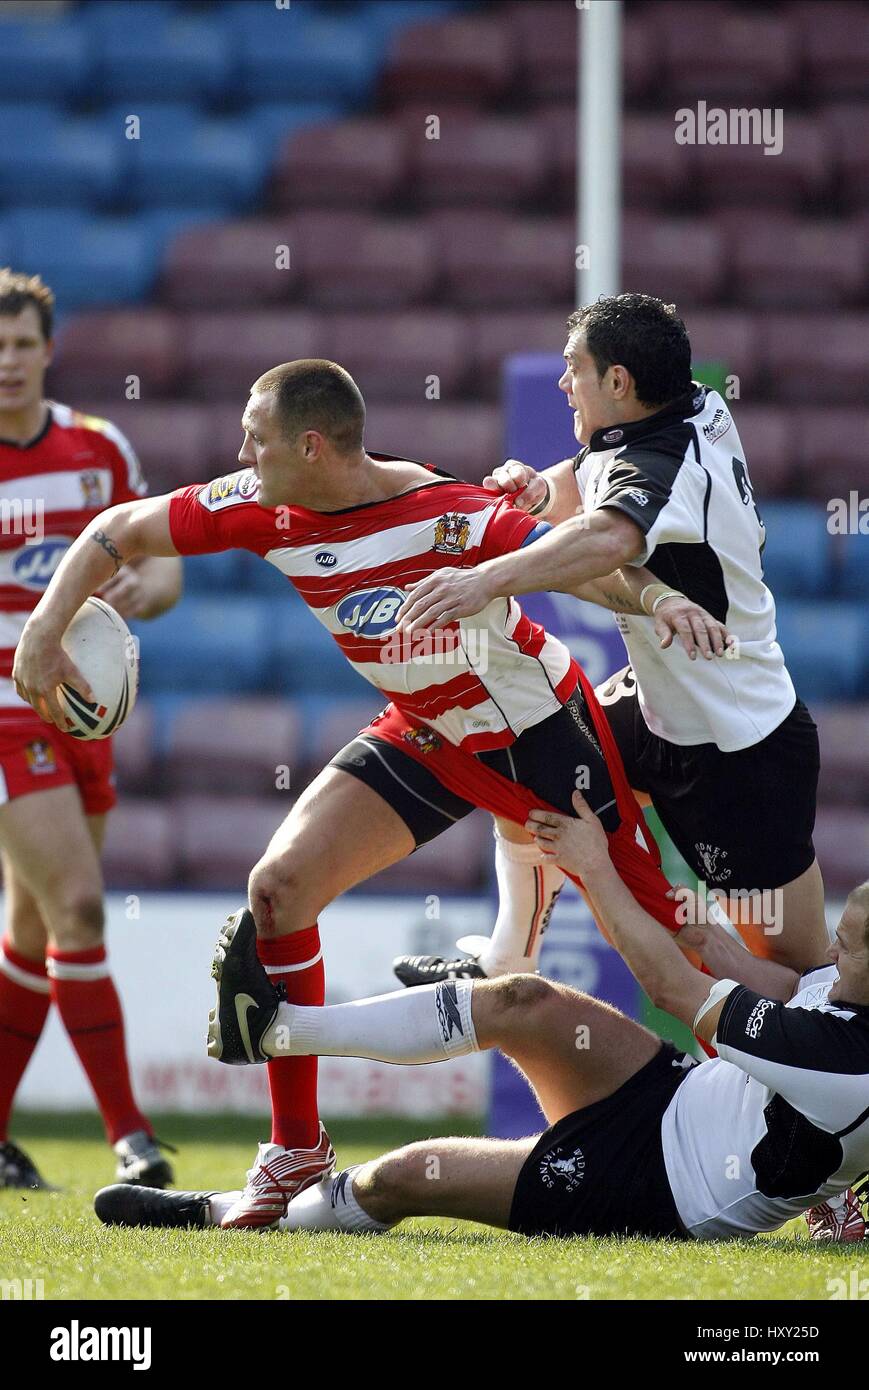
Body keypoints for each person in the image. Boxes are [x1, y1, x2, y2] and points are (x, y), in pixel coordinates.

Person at [11, 358, 723, 1225]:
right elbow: (120, 530)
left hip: (535, 734)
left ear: (311, 446)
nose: (239, 450)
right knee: (277, 892)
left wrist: (656, 598)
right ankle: (295, 1152)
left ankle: (805, 1121)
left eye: (256, 438)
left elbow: (579, 568)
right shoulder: (258, 503)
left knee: (667, 938)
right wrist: (46, 628)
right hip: (423, 730)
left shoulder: (441, 515)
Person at [93, 803, 869, 1245]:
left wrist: (595, 866)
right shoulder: (842, 988)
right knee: (519, 1000)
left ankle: (223, 1213)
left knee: (401, 1177)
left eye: (853, 939)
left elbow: (672, 987)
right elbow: (747, 967)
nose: (834, 940)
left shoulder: (845, 1062)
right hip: (665, 1095)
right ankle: (275, 1029)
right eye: (845, 921)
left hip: (659, 1191)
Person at [392, 293, 826, 993]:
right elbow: (599, 479)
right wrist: (540, 492)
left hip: (739, 756)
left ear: (618, 382)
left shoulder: (663, 464)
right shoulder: (683, 410)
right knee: (530, 765)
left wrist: (484, 581)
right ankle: (505, 961)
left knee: (795, 973)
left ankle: (815, 1087)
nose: (564, 383)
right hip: (658, 710)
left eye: (575, 369)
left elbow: (609, 536)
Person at [0, 269, 182, 1190]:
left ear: (47, 349)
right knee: (76, 905)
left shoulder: (97, 450)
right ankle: (132, 1136)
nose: (7, 363)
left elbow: (162, 573)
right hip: (2, 721)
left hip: (82, 716)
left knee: (33, 929)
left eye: (21, 344)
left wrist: (141, 589)